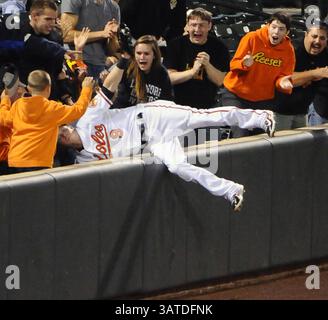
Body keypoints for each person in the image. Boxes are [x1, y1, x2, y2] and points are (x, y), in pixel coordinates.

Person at [58, 86, 276, 212]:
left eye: (61, 130)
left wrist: (122, 63)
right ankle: (231, 190)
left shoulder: (86, 119)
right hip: (152, 143)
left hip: (153, 116)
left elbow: (107, 91)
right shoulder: (84, 159)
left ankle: (260, 117)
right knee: (178, 167)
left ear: (66, 126)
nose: (63, 134)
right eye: (59, 137)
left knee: (207, 117)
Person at [0, 70, 94, 173]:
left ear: (30, 88)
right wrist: (86, 88)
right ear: (48, 88)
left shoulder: (18, 105)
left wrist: (5, 99)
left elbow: (3, 118)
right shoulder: (52, 108)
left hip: (15, 161)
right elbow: (78, 110)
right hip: (38, 164)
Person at [221, 12, 295, 137]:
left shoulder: (289, 50)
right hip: (237, 95)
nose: (276, 32)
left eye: (281, 29)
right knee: (241, 134)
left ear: (287, 32)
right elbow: (233, 65)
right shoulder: (252, 38)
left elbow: (283, 76)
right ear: (267, 26)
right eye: (274, 27)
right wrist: (244, 64)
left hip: (263, 100)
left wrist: (283, 82)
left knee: (261, 139)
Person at [164, 7, 230, 109]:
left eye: (201, 25)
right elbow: (169, 78)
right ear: (187, 26)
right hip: (178, 104)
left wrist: (207, 65)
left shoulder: (219, 47)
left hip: (209, 105)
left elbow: (220, 80)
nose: (197, 29)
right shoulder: (176, 45)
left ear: (209, 26)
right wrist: (192, 72)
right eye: (193, 25)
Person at [274, 22, 328, 130]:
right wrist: (314, 73)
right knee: (281, 145)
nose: (317, 41)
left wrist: (308, 77)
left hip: (302, 111)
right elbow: (283, 80)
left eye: (322, 38)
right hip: (279, 112)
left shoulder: (324, 53)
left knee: (300, 146)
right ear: (306, 35)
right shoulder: (290, 49)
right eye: (314, 36)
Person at [104, 34, 173, 108]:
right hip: (123, 114)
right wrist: (123, 59)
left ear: (154, 55)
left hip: (147, 117)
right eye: (138, 53)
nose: (142, 57)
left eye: (146, 54)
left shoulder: (162, 73)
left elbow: (167, 103)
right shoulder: (127, 64)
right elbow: (107, 86)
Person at [60, 0, 121, 79]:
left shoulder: (114, 7)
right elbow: (65, 36)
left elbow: (113, 50)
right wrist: (102, 33)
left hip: (100, 67)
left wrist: (112, 35)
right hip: (73, 62)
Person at [119, 0, 186, 42]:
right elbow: (122, 19)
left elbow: (179, 24)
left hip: (164, 44)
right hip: (136, 42)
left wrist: (164, 38)